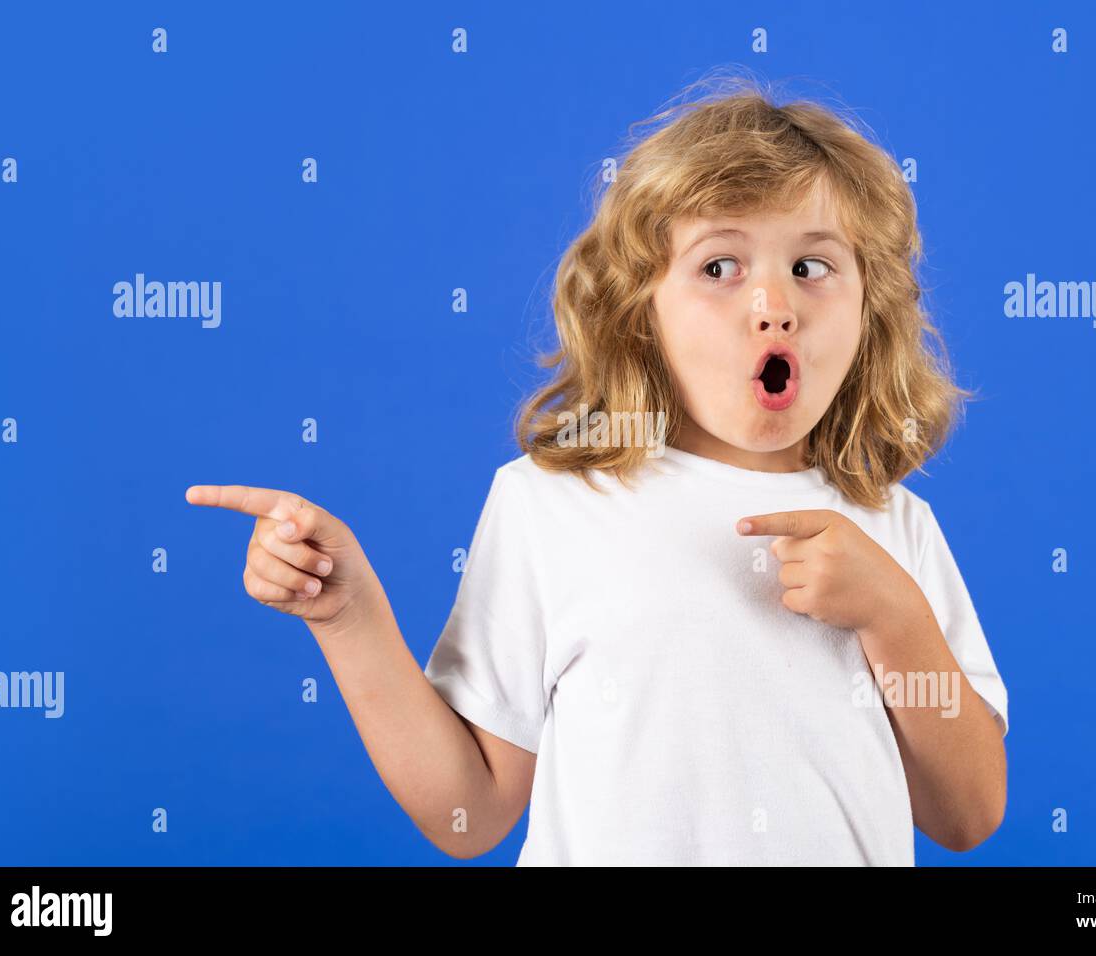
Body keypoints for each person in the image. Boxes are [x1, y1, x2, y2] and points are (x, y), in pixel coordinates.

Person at [187, 72, 1008, 866]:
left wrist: (895, 620)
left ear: (871, 311)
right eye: (720, 266)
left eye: (811, 266)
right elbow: (468, 814)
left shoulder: (897, 528)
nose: (773, 303)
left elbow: (968, 815)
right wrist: (348, 617)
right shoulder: (551, 506)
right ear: (640, 311)